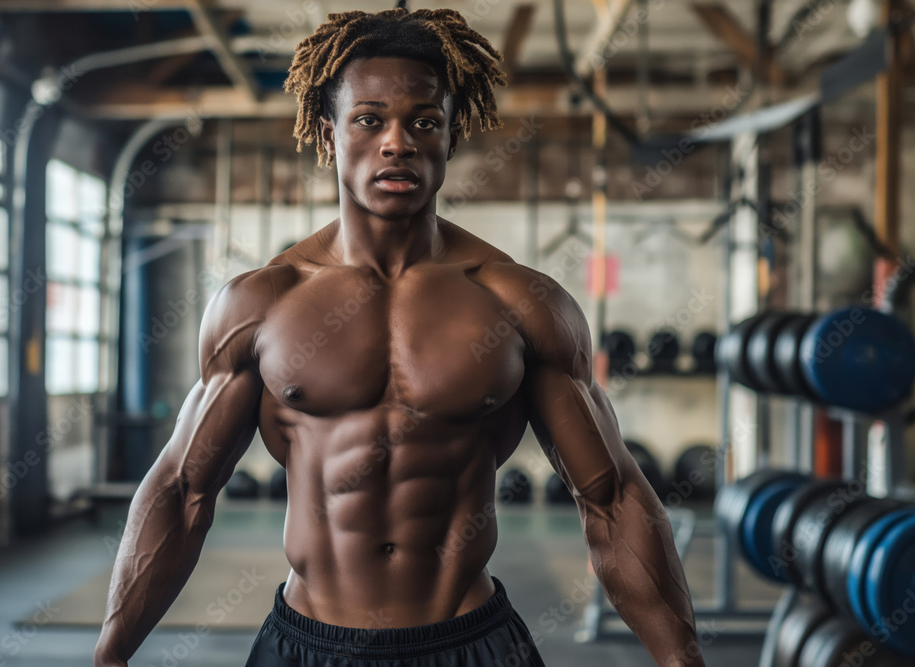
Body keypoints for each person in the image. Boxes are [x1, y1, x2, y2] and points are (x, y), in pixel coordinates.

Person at [94, 7, 704, 667]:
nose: (397, 142)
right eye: (369, 119)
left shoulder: (523, 303)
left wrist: (682, 658)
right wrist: (110, 653)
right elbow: (183, 492)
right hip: (309, 643)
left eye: (424, 121)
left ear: (449, 136)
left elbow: (611, 498)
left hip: (468, 642)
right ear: (328, 135)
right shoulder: (260, 304)